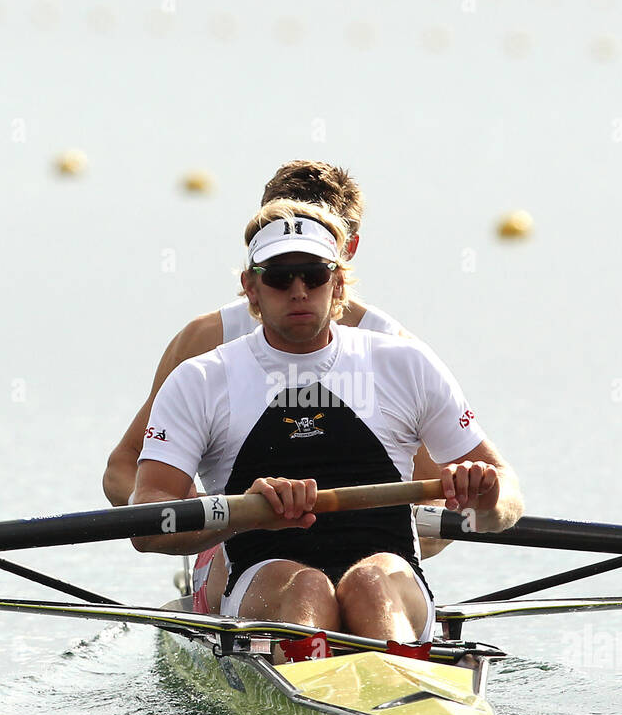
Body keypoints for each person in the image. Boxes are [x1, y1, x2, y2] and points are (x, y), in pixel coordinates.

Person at [129, 200, 523, 647]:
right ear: (250, 288)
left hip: (390, 572)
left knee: (370, 585)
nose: (298, 290)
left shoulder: (405, 363)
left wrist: (487, 495)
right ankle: (350, 689)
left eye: (314, 275)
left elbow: (509, 498)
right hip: (265, 577)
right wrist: (238, 515)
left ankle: (399, 690)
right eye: (278, 276)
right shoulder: (200, 379)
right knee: (308, 586)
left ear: (337, 284)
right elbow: (146, 522)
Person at [103, 159, 448, 614]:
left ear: (347, 252)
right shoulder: (207, 344)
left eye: (314, 251)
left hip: (371, 558)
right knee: (278, 574)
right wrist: (228, 514)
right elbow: (123, 473)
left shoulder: (392, 350)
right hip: (243, 552)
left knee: (369, 578)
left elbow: (437, 511)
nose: (297, 278)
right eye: (280, 260)